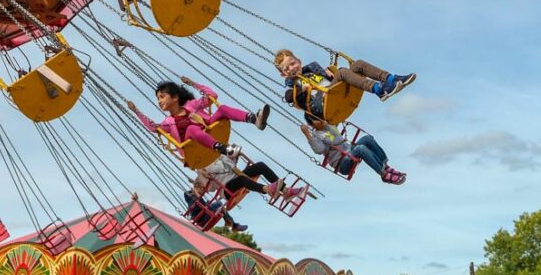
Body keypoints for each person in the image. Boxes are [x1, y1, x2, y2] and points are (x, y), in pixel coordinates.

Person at [128, 77, 270, 159]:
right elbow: (154, 128)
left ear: (175, 97)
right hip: (192, 150)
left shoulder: (192, 105)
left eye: (162, 96)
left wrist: (193, 84)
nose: (159, 101)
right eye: (158, 98)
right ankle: (223, 148)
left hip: (208, 128)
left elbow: (212, 96)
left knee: (222, 108)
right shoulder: (168, 123)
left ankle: (254, 119)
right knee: (190, 129)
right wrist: (136, 112)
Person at [185, 151, 306, 232]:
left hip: (236, 176)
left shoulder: (218, 155)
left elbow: (231, 165)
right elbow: (210, 188)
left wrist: (233, 156)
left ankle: (286, 192)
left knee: (260, 166)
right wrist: (207, 176)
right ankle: (268, 189)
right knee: (242, 180)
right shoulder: (201, 169)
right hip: (227, 188)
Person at [274, 49, 416, 116]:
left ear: (298, 61)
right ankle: (380, 89)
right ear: (283, 74)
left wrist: (329, 71)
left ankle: (392, 79)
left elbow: (330, 77)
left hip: (334, 88)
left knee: (358, 64)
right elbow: (288, 98)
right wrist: (303, 88)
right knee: (342, 72)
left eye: (292, 63)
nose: (291, 68)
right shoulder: (293, 84)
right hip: (324, 101)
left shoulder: (311, 68)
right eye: (287, 68)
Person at [301, 114, 406, 184]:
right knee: (360, 149)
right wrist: (307, 135)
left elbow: (335, 133)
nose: (320, 120)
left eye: (319, 117)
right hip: (342, 163)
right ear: (311, 124)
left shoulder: (328, 126)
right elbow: (318, 150)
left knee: (367, 139)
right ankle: (384, 174)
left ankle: (386, 167)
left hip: (349, 152)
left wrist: (327, 125)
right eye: (316, 120)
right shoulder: (316, 136)